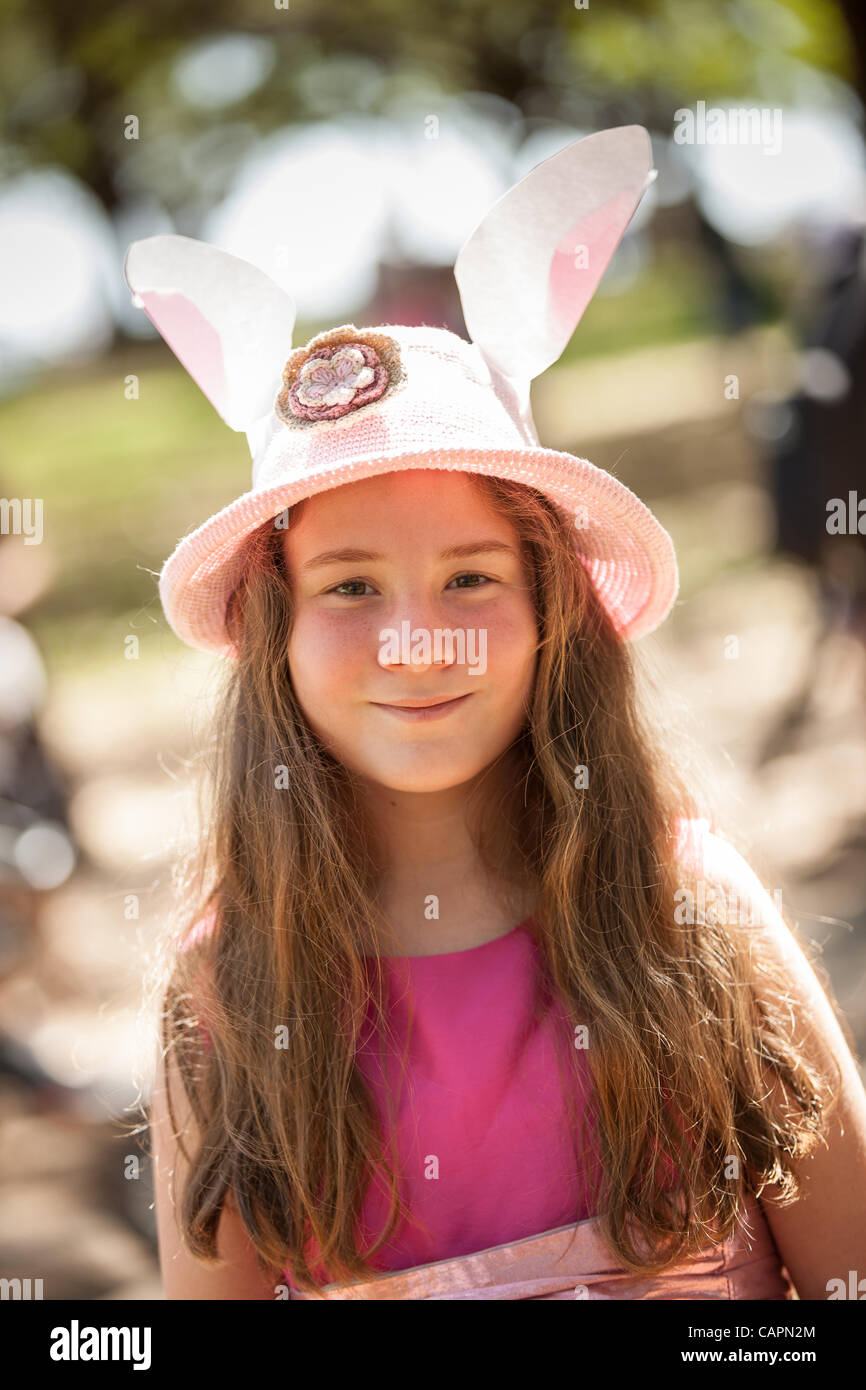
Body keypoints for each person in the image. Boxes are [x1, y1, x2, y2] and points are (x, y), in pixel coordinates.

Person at [127, 128, 866, 1300]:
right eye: (350, 587)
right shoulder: (231, 994)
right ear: (274, 630)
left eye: (470, 577)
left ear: (550, 614)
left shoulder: (688, 912)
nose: (416, 640)